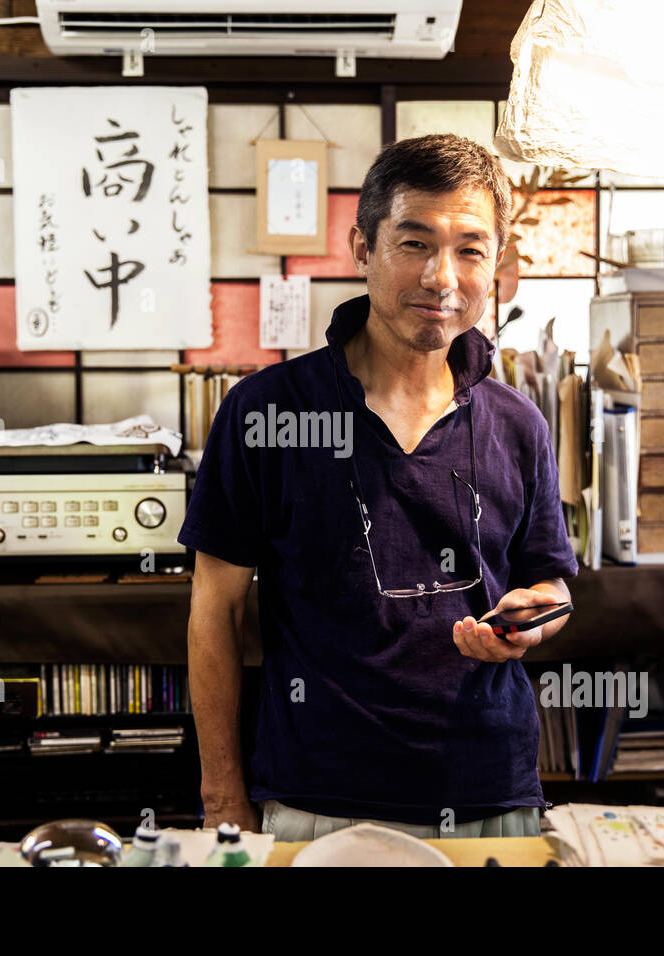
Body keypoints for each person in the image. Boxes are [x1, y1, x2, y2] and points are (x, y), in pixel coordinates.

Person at [179, 133, 578, 842]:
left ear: (498, 266)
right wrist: (221, 800)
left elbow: (552, 585)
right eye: (414, 243)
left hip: (490, 791)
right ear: (362, 248)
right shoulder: (267, 411)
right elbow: (213, 613)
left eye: (469, 250)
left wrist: (534, 617)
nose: (441, 277)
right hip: (317, 797)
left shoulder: (519, 423)